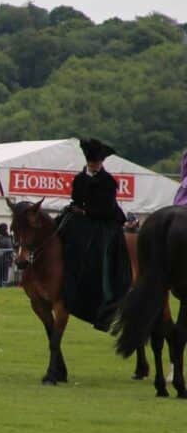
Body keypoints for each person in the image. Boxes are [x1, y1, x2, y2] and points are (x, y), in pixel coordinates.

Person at [63, 138, 133, 329]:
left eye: (97, 162)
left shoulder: (108, 181)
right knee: (61, 226)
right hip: (84, 218)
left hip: (105, 222)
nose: (95, 165)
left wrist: (85, 212)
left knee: (102, 248)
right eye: (92, 162)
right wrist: (76, 209)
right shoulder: (79, 179)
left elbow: (107, 209)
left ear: (101, 162)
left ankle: (107, 296)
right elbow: (76, 199)